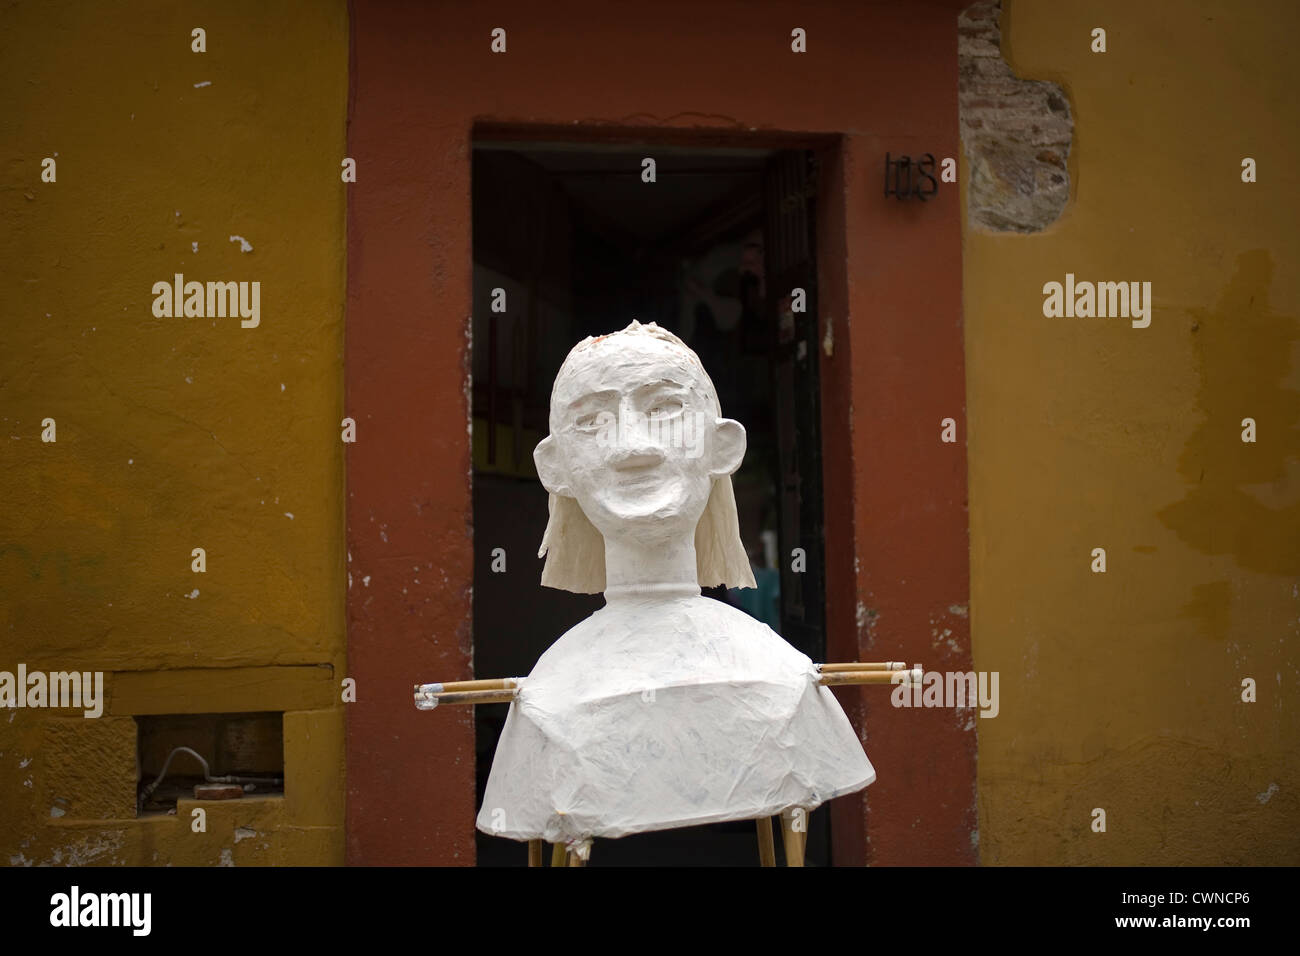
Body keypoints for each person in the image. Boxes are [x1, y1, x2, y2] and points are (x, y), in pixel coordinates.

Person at [476, 320, 873, 846]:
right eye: (592, 421)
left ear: (723, 446)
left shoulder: (785, 681)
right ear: (555, 467)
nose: (630, 448)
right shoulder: (547, 698)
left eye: (664, 410)